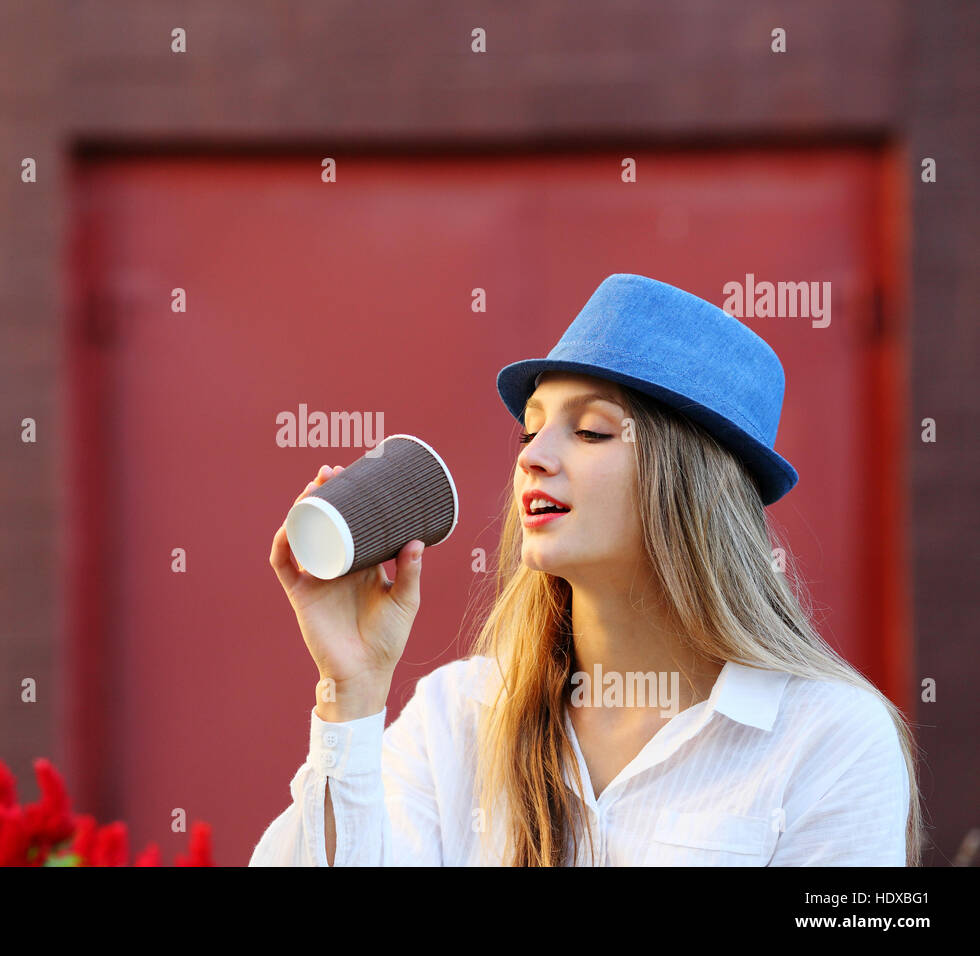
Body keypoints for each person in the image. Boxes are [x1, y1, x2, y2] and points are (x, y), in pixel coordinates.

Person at [251, 273, 921, 866]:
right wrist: (352, 688)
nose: (533, 456)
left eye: (592, 431)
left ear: (695, 486)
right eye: (530, 430)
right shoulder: (456, 717)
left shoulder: (829, 740)